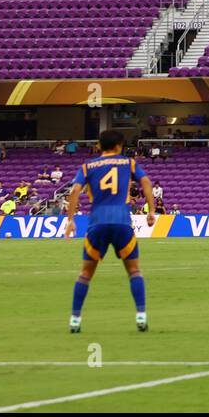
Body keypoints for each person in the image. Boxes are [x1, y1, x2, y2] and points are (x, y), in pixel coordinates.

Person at [63, 130, 154, 334]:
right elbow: (146, 182)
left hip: (97, 223)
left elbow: (75, 190)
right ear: (119, 146)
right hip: (122, 221)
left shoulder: (88, 166)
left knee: (85, 274)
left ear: (99, 146)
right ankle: (141, 316)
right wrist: (151, 210)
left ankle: (75, 320)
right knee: (134, 271)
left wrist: (70, 220)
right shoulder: (129, 163)